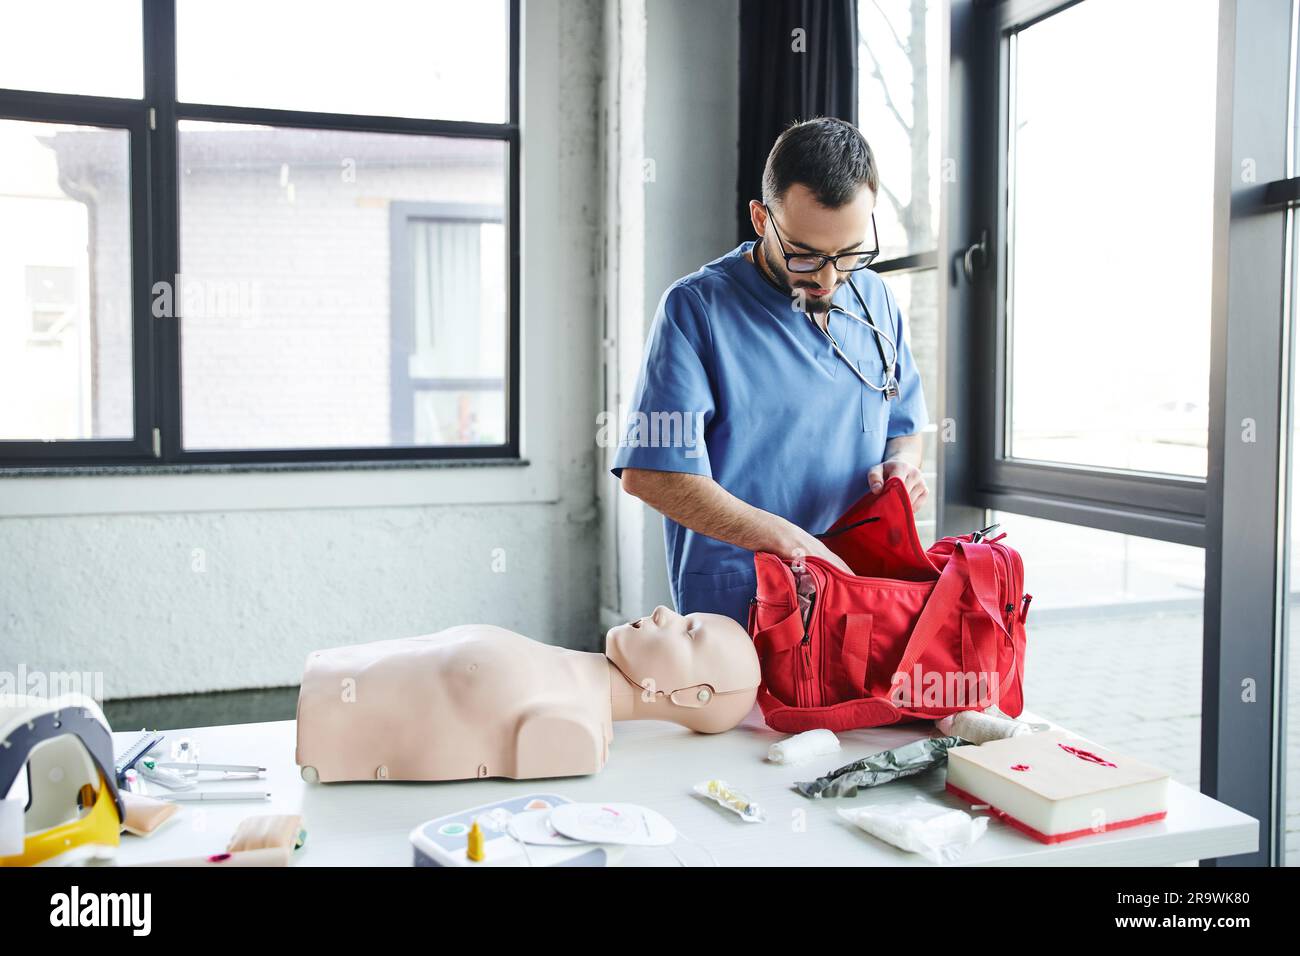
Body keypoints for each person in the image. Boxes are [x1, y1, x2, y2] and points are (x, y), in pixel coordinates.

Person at [611, 116, 929, 627]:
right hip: (744, 605)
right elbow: (651, 473)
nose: (828, 277)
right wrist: (789, 540)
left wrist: (901, 467)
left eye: (849, 253)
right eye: (805, 256)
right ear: (761, 219)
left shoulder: (876, 299)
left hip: (857, 595)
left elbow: (905, 428)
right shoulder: (696, 309)